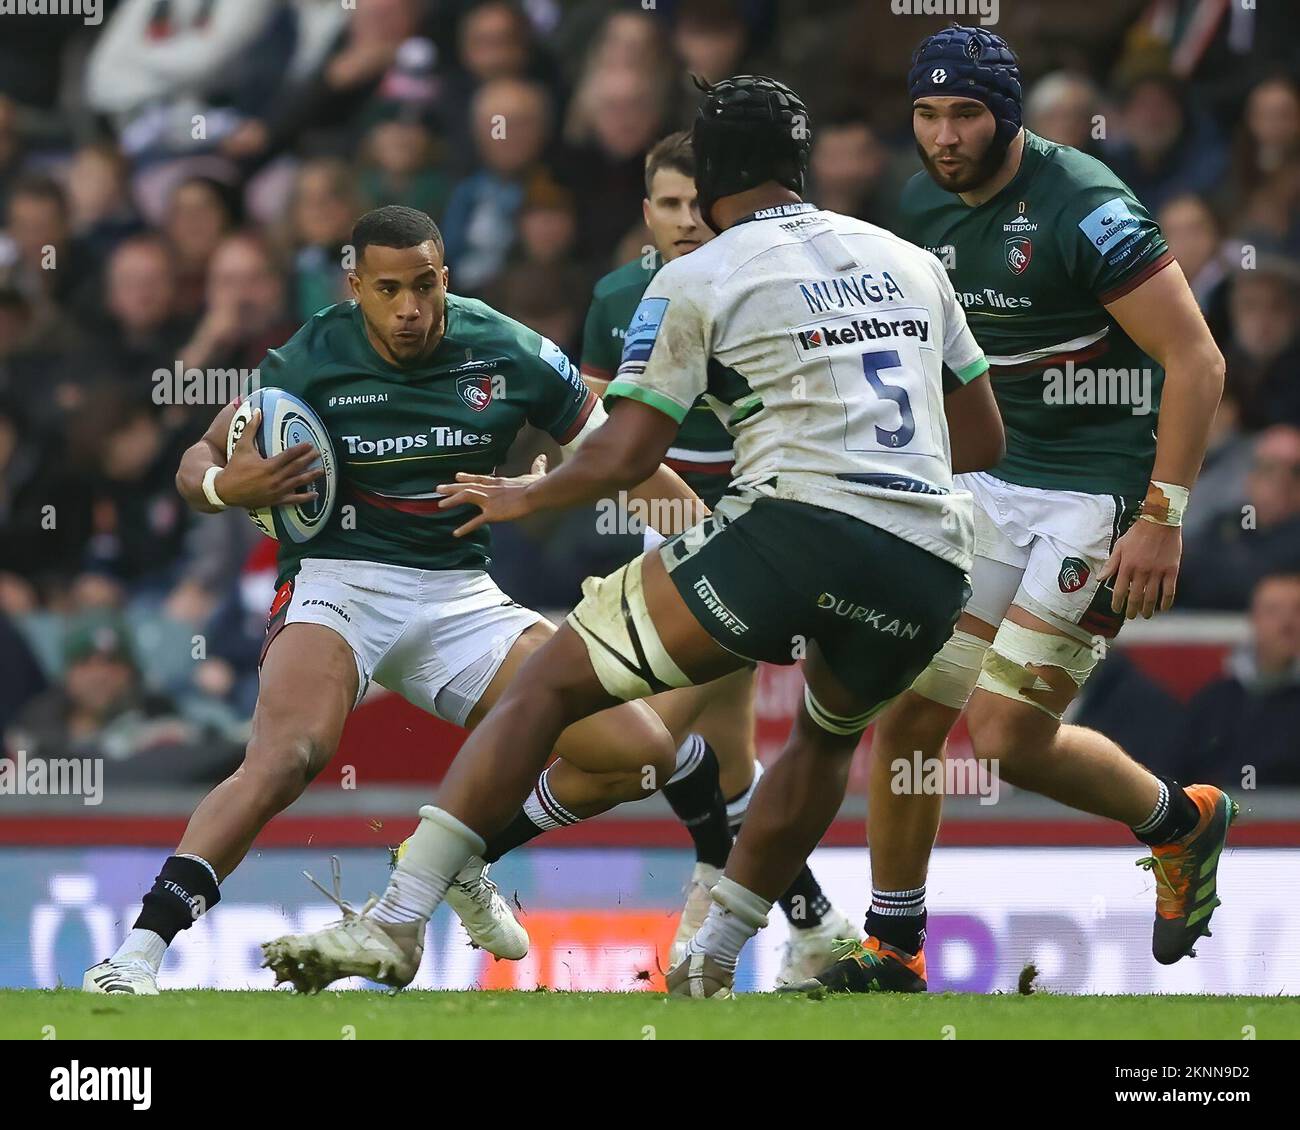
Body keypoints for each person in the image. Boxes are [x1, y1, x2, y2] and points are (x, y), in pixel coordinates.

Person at [257, 74, 1005, 998]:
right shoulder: (909, 259)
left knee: (551, 683)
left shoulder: (696, 276)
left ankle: (399, 920)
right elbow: (982, 439)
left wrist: (531, 498)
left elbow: (624, 452)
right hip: (931, 558)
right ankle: (719, 958)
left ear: (716, 171)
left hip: (793, 533)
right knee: (821, 739)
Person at [81, 204, 716, 995]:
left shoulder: (507, 349)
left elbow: (619, 455)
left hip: (460, 597)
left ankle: (458, 857)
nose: (410, 308)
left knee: (641, 755)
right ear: (355, 286)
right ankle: (136, 954)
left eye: (425, 286)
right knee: (287, 756)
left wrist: (711, 539)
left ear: (445, 277)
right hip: (339, 580)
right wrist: (220, 482)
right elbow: (201, 457)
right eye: (388, 290)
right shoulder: (312, 352)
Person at [798, 26, 1232, 998]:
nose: (944, 135)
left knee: (1002, 737)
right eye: (926, 114)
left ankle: (1181, 820)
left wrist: (1160, 517)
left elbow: (1196, 360)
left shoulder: (1087, 209)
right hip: (989, 483)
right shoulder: (919, 204)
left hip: (1096, 495)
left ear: (1008, 114)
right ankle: (893, 951)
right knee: (907, 715)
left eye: (965, 114)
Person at [577, 129, 855, 982]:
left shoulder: (773, 288)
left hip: (764, 529)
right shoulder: (618, 296)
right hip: (671, 528)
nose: (686, 221)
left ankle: (460, 855)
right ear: (646, 213)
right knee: (725, 752)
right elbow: (594, 424)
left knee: (648, 733)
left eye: (699, 204)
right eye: (668, 204)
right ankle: (812, 922)